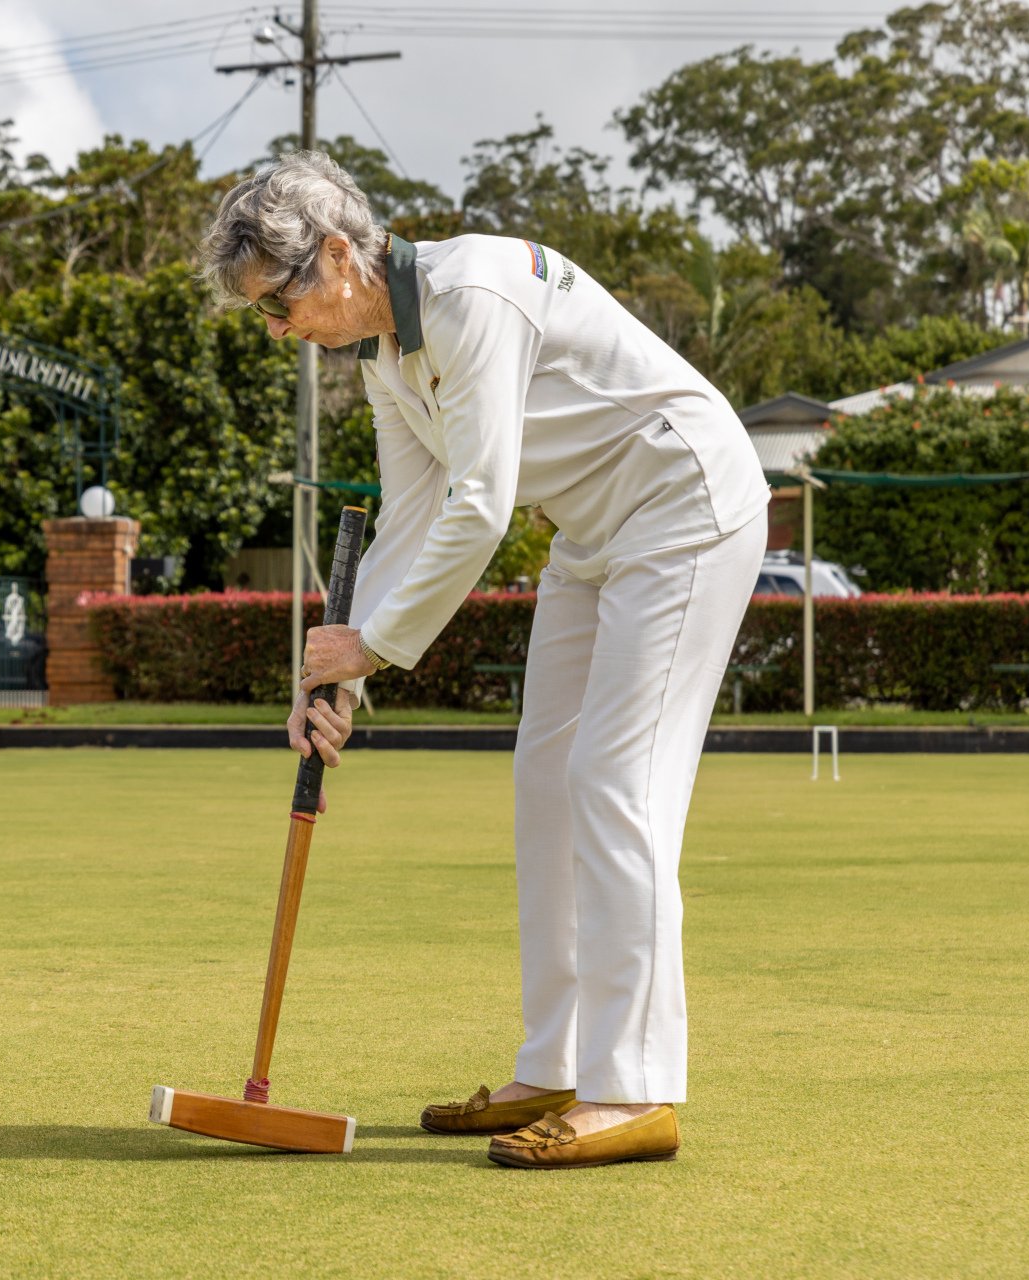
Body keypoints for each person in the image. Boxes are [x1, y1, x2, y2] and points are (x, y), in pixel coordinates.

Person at [199, 151, 768, 1170]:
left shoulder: (470, 295)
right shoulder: (385, 358)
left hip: (688, 504)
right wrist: (345, 682)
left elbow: (482, 504)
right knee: (545, 779)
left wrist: (371, 640)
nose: (279, 331)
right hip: (597, 536)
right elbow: (414, 519)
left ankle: (635, 1087)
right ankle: (554, 1062)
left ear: (337, 255)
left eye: (278, 304)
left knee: (614, 779)